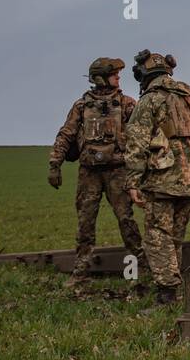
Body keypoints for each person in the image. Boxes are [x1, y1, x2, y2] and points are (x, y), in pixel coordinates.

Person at [123, 50, 190, 304]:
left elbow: (137, 144)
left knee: (157, 236)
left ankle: (167, 294)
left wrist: (133, 182)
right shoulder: (189, 100)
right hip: (189, 182)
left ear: (144, 76)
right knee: (175, 236)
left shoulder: (149, 101)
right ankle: (175, 287)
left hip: (161, 183)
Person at [49, 58, 147, 286]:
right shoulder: (82, 106)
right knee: (85, 222)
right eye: (114, 73)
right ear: (101, 77)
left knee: (126, 221)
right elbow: (66, 135)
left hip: (118, 171)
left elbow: (141, 135)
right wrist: (55, 164)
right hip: (89, 173)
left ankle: (140, 268)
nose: (118, 77)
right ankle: (80, 272)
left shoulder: (126, 103)